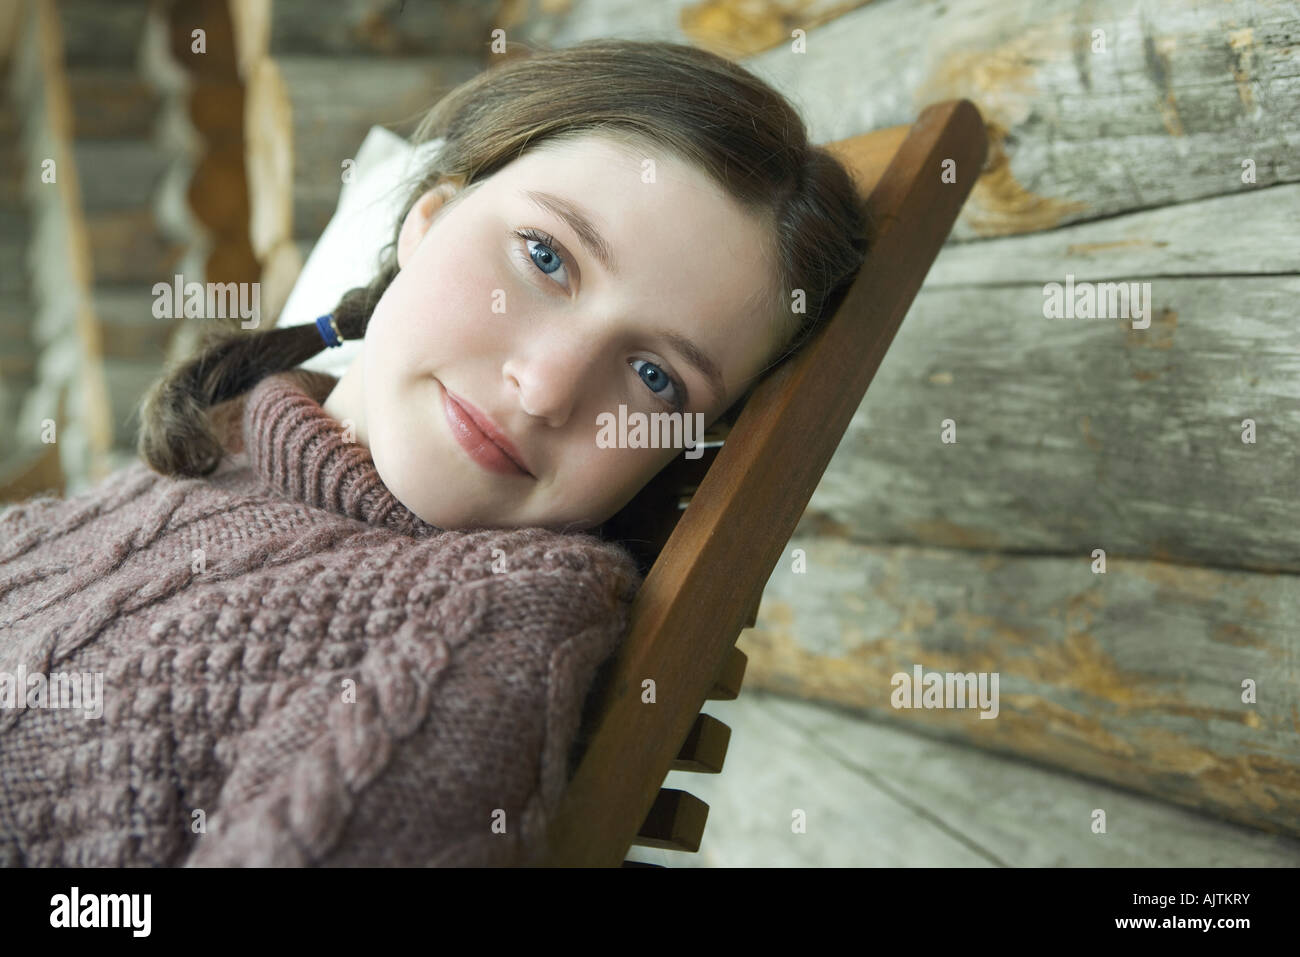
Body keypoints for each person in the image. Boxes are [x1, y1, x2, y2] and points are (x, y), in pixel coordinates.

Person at [0, 38, 868, 867]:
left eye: (654, 374)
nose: (545, 388)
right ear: (429, 219)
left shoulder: (481, 628)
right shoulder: (212, 457)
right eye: (544, 256)